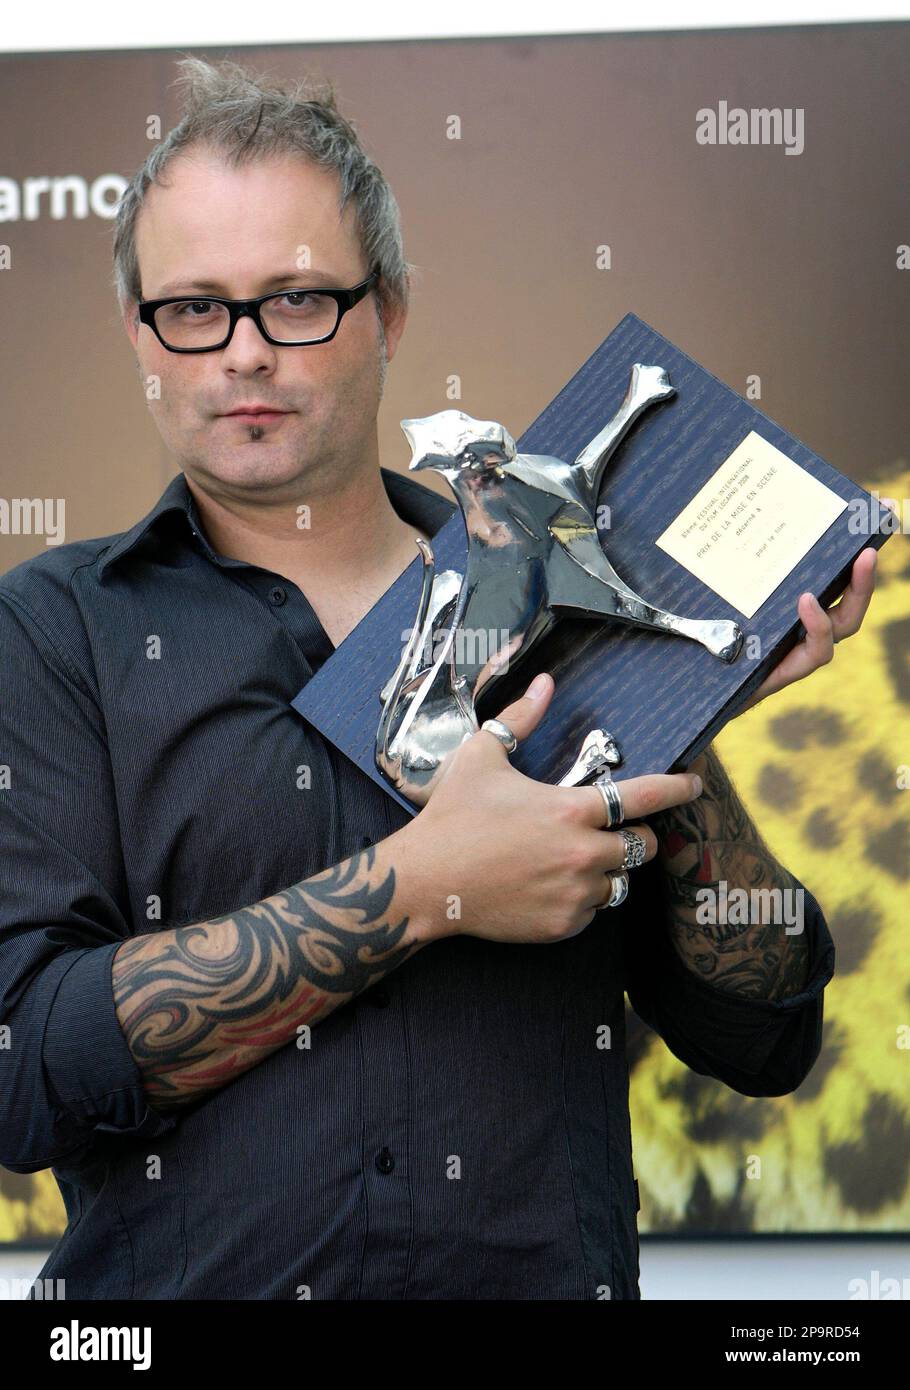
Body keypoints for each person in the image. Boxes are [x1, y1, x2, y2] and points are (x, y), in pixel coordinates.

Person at [0, 56, 874, 1301]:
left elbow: (768, 1028)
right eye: (193, 309)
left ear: (391, 310)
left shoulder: (543, 592)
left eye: (297, 299)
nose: (243, 354)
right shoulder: (49, 633)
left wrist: (683, 699)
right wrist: (424, 886)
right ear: (139, 332)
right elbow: (23, 1067)